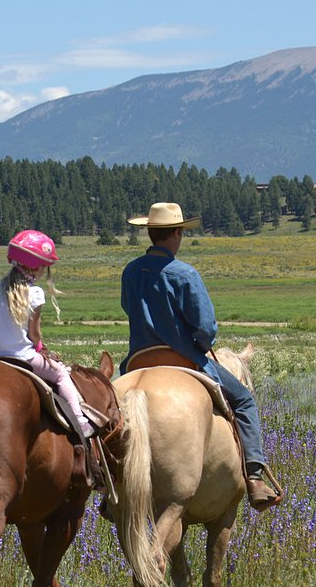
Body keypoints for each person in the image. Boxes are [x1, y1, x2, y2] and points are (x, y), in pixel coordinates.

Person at [120, 201, 282, 510]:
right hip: (185, 360)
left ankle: (110, 487)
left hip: (137, 360)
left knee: (112, 408)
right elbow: (206, 328)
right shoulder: (184, 274)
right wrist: (195, 340)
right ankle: (256, 478)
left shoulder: (130, 272)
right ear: (177, 233)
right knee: (245, 401)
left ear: (151, 233)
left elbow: (128, 308)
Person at [0, 229, 105, 486]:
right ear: (37, 266)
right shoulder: (34, 293)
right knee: (60, 373)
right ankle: (81, 421)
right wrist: (42, 350)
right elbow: (34, 333)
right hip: (22, 358)